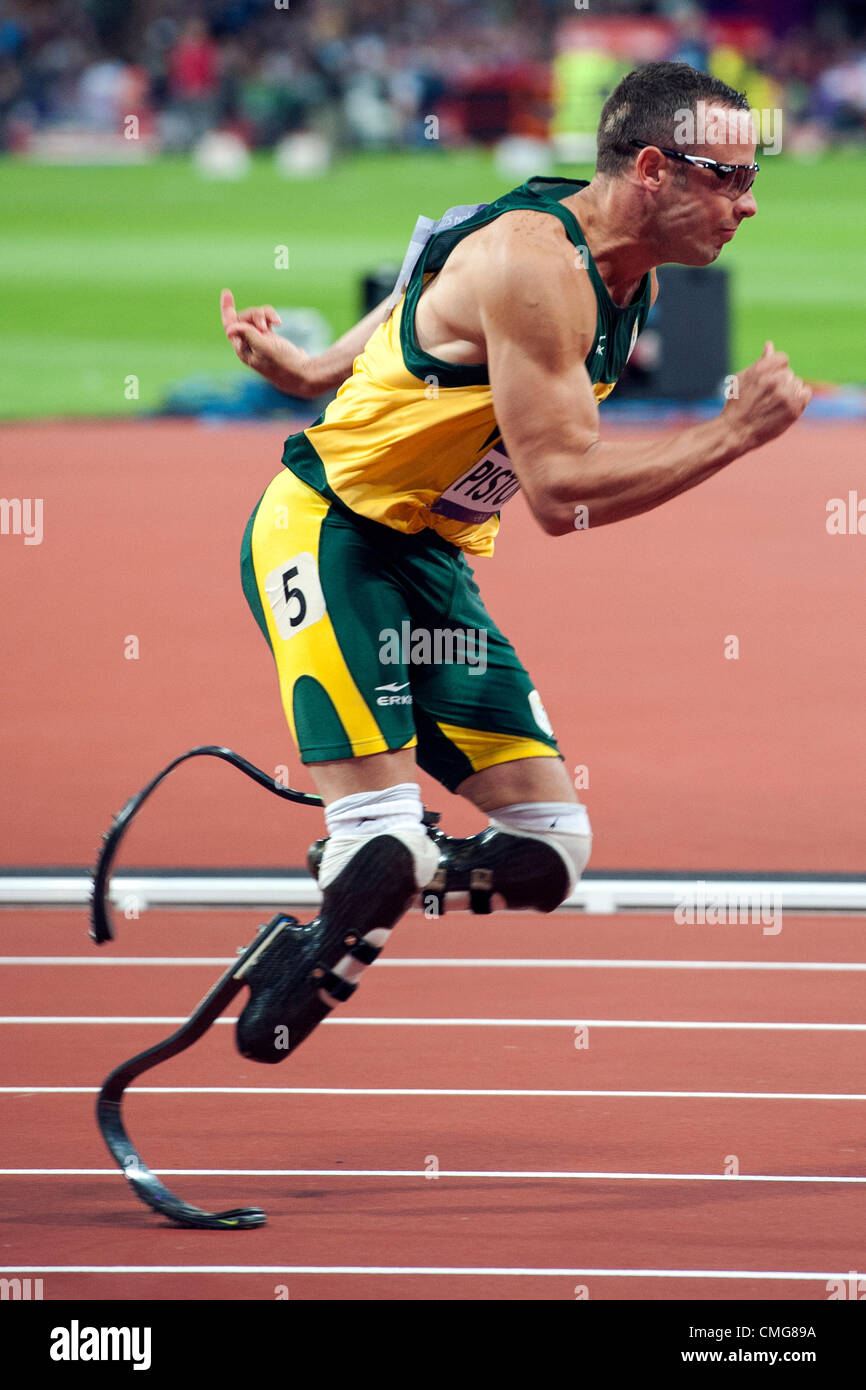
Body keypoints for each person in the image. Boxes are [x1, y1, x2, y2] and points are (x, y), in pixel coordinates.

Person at [219, 62, 810, 1063]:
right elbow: (558, 493)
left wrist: (318, 367)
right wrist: (732, 435)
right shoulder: (541, 265)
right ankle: (369, 862)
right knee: (379, 832)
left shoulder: (610, 264)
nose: (747, 206)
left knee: (546, 850)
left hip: (433, 566)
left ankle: (383, 876)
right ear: (655, 169)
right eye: (730, 177)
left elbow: (433, 265)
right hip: (334, 534)